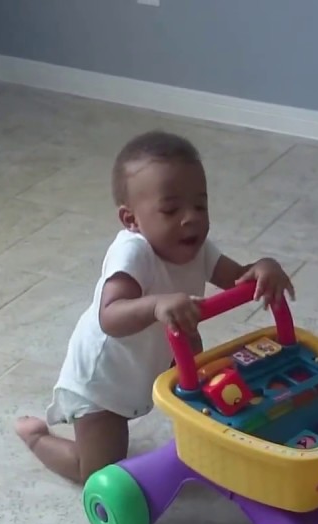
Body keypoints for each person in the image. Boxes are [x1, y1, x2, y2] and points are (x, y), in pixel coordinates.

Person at [15, 130, 294, 484]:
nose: (190, 218)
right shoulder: (133, 252)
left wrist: (263, 267)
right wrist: (157, 304)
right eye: (171, 208)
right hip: (103, 382)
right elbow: (110, 316)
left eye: (200, 205)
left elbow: (240, 279)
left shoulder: (198, 247)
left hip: (149, 364)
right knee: (99, 471)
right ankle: (36, 437)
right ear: (131, 219)